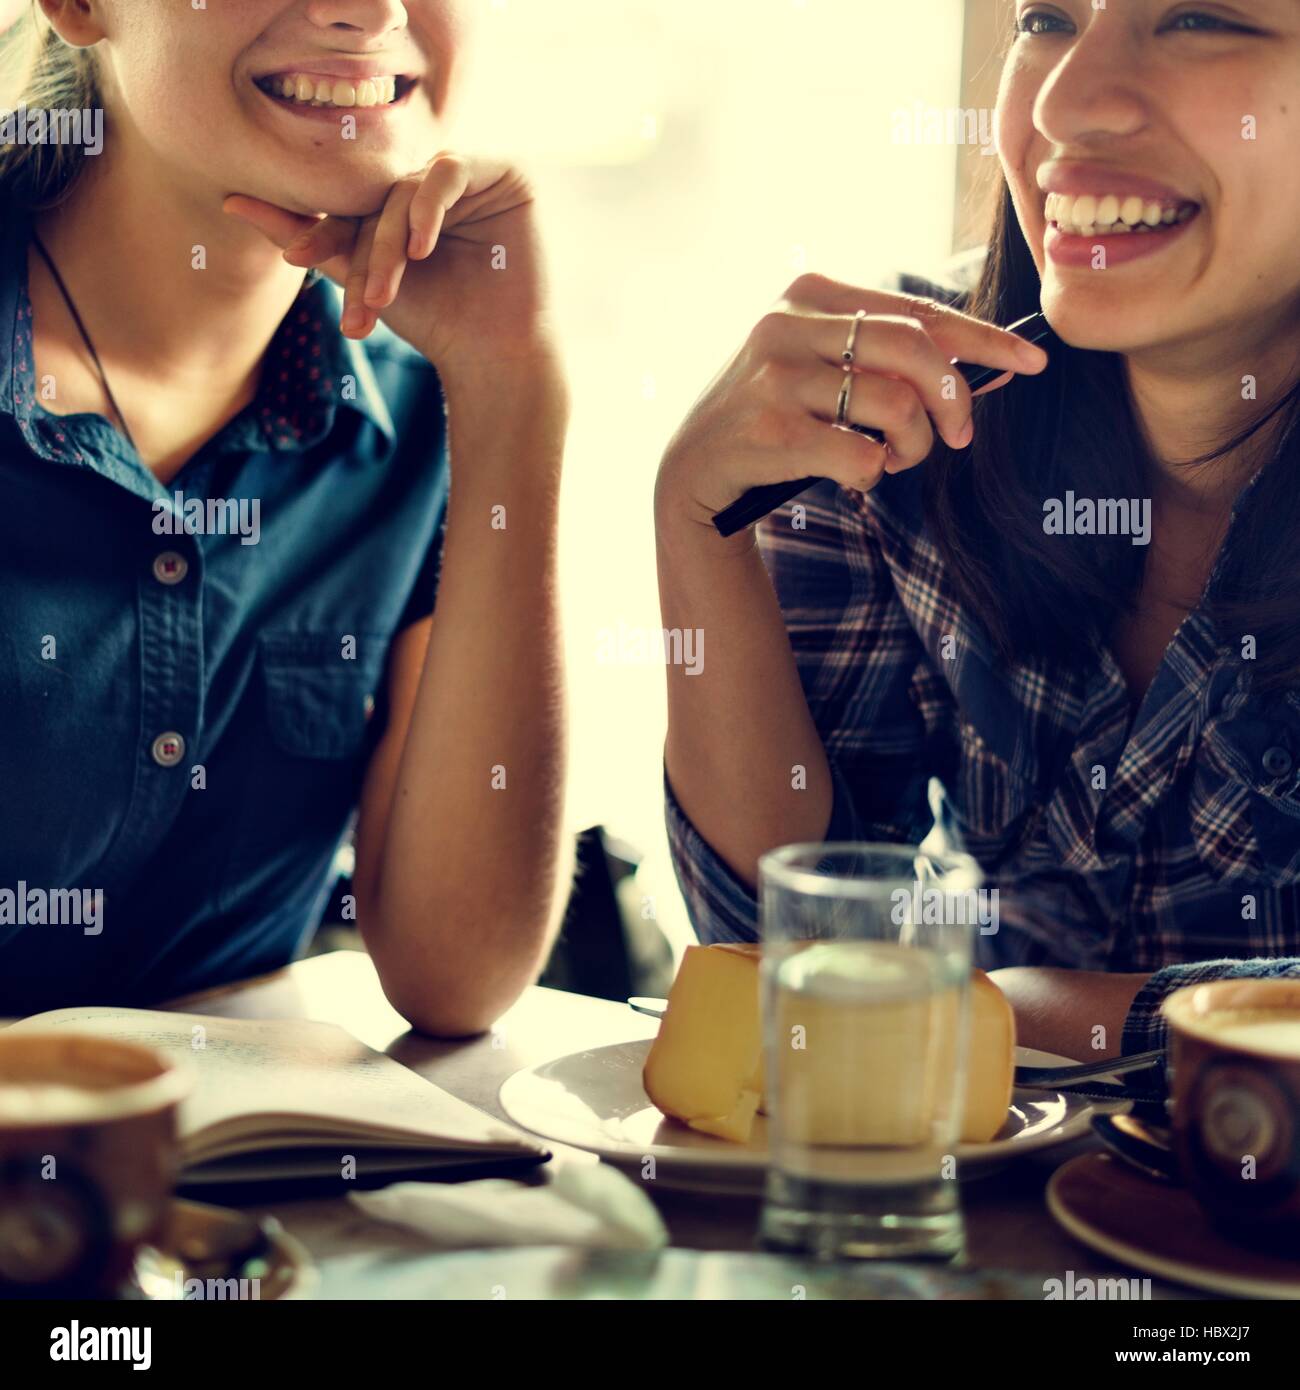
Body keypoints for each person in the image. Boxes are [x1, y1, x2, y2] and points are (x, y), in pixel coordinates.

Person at [656, 1, 1300, 1059]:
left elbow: (863, 1012)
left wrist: (1017, 1005)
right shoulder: (897, 412)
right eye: (1045, 16)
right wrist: (696, 525)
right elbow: (783, 978)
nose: (1062, 101)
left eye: (1195, 16)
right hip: (972, 1226)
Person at [0, 0, 569, 1031]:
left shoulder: (428, 401)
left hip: (231, 1186)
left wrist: (514, 384)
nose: (369, 9)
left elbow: (457, 977)